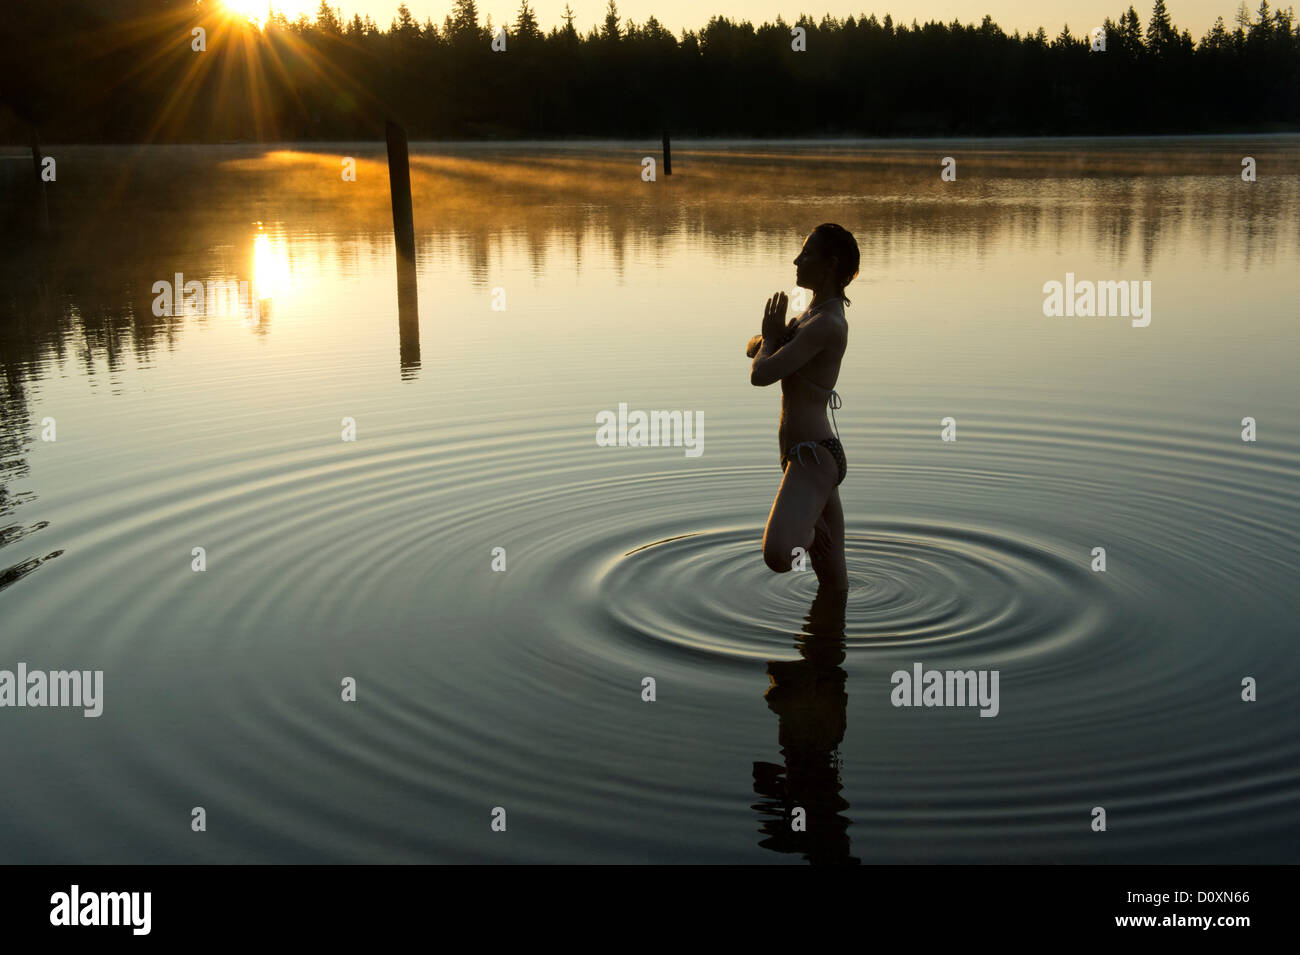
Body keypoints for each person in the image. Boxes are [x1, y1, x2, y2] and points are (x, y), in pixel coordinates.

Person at [747, 223, 859, 591]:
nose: (796, 259)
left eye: (807, 253)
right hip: (809, 455)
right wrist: (771, 335)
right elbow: (761, 347)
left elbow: (761, 373)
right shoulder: (809, 316)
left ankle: (808, 534)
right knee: (833, 580)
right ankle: (829, 641)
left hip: (813, 458)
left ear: (830, 264)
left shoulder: (827, 324)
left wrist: (771, 341)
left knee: (778, 554)